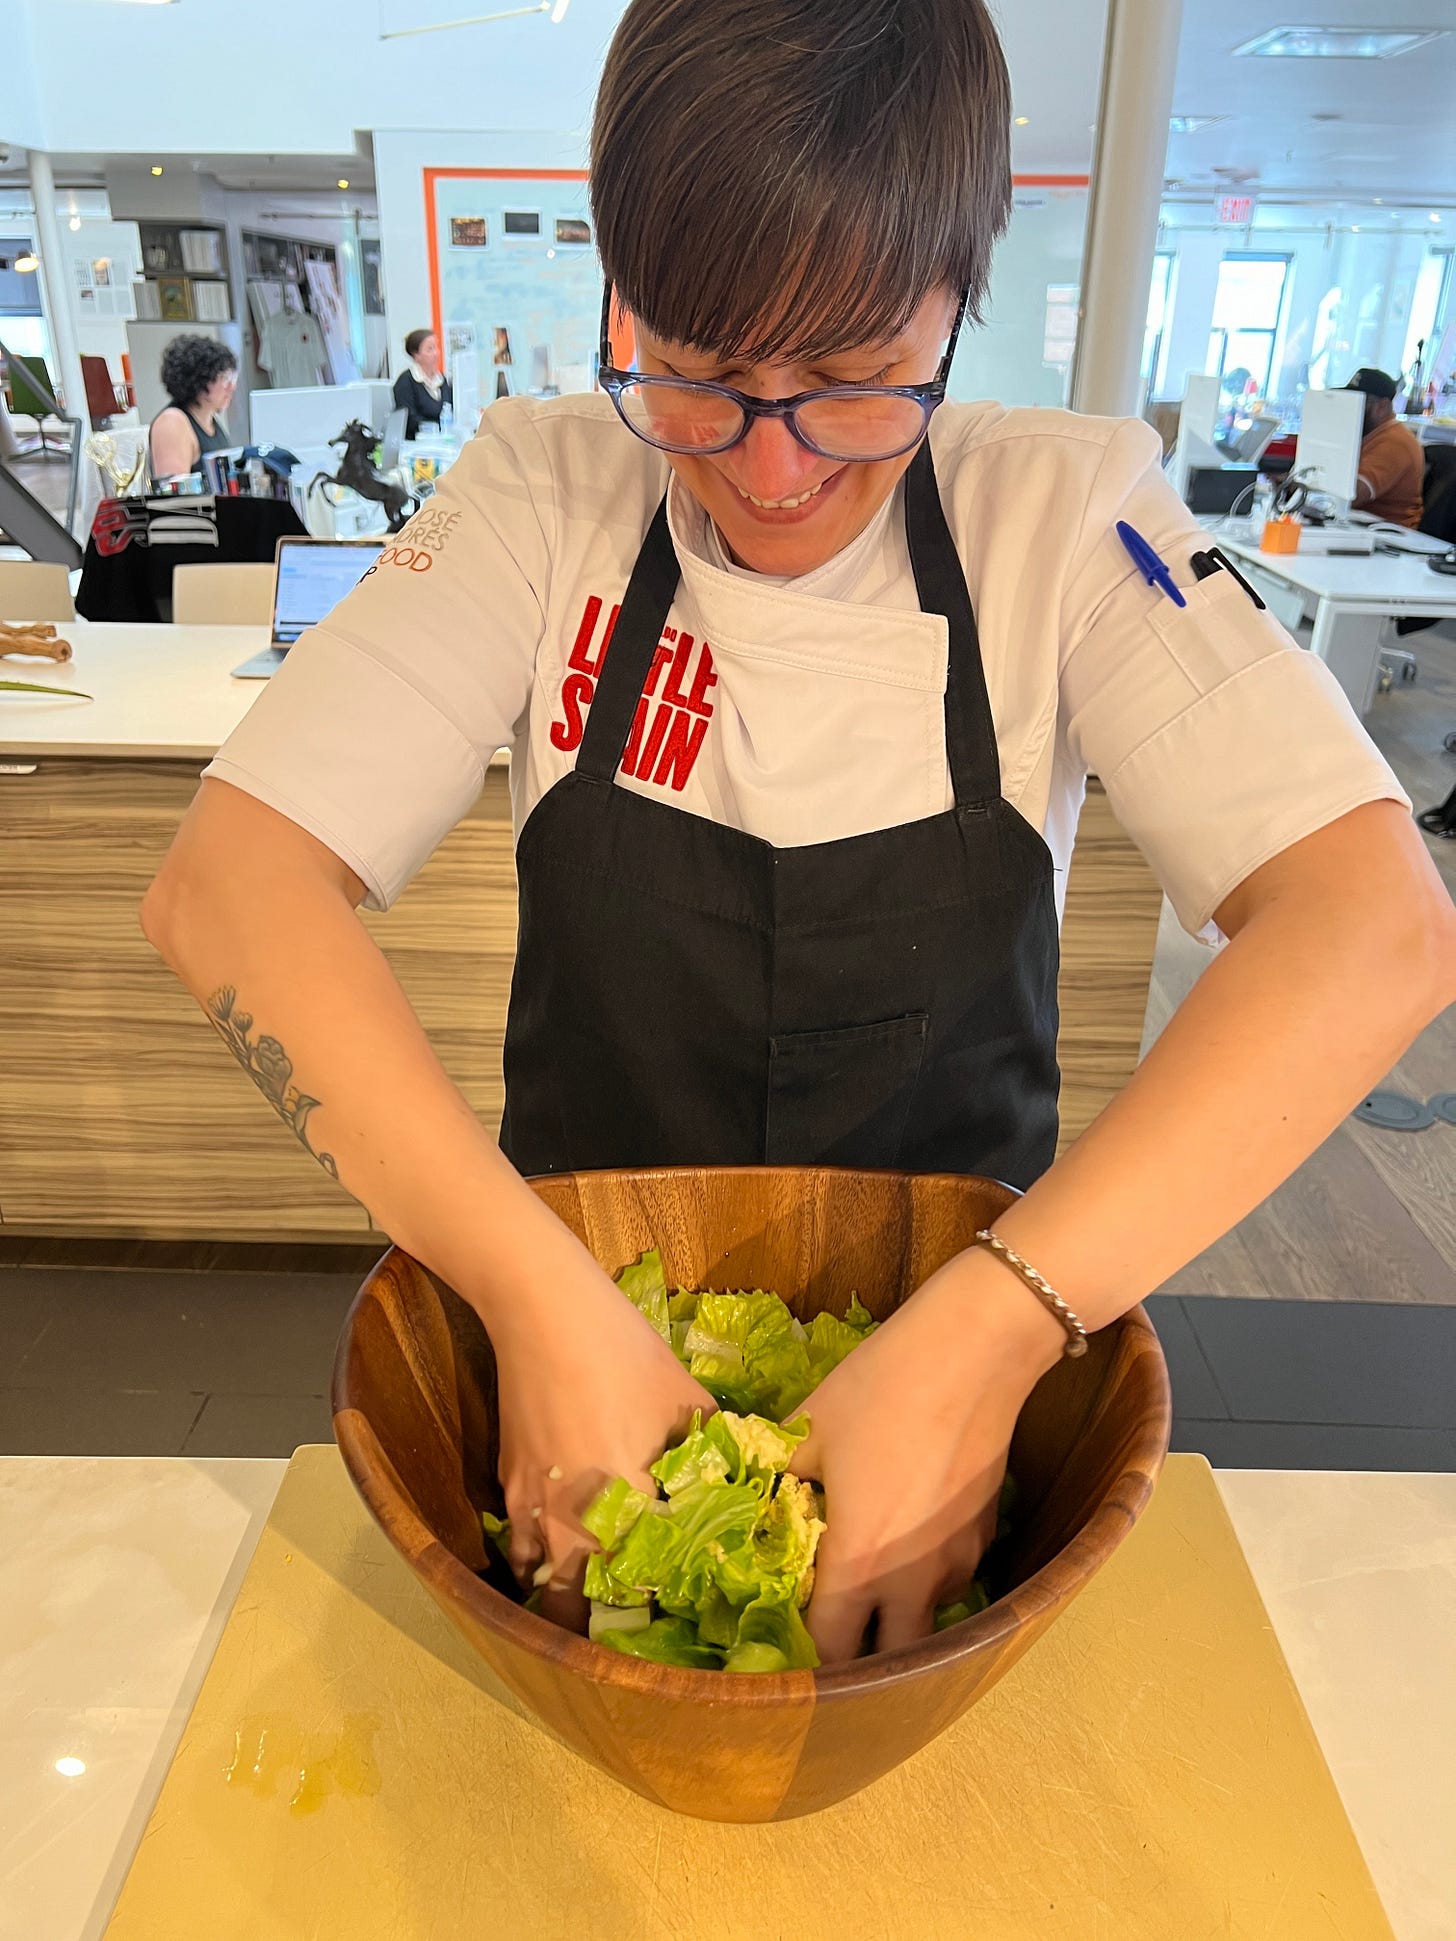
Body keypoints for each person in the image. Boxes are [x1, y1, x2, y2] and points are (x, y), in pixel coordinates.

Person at [142, 0, 1455, 1665]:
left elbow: (1375, 928)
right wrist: (538, 1295)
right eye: (692, 376)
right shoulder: (544, 493)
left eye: (848, 388)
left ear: (956, 305)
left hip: (951, 1382)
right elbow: (226, 889)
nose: (764, 470)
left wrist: (990, 1334)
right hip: (583, 1393)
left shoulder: (1067, 518)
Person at [148, 335, 237, 480]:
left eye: (232, 378)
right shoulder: (172, 422)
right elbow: (176, 497)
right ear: (200, 380)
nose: (232, 387)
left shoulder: (210, 420)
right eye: (224, 378)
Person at [1345, 367, 1425, 527]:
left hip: (1388, 534)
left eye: (1359, 402)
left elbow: (1351, 495)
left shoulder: (1395, 443)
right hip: (1359, 525)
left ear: (1382, 406)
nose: (1349, 408)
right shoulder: (1369, 434)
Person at [392, 328, 453, 440]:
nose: (436, 353)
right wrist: (434, 427)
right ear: (416, 355)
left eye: (436, 347)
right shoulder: (406, 382)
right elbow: (410, 420)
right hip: (416, 444)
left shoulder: (441, 380)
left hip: (442, 441)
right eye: (430, 349)